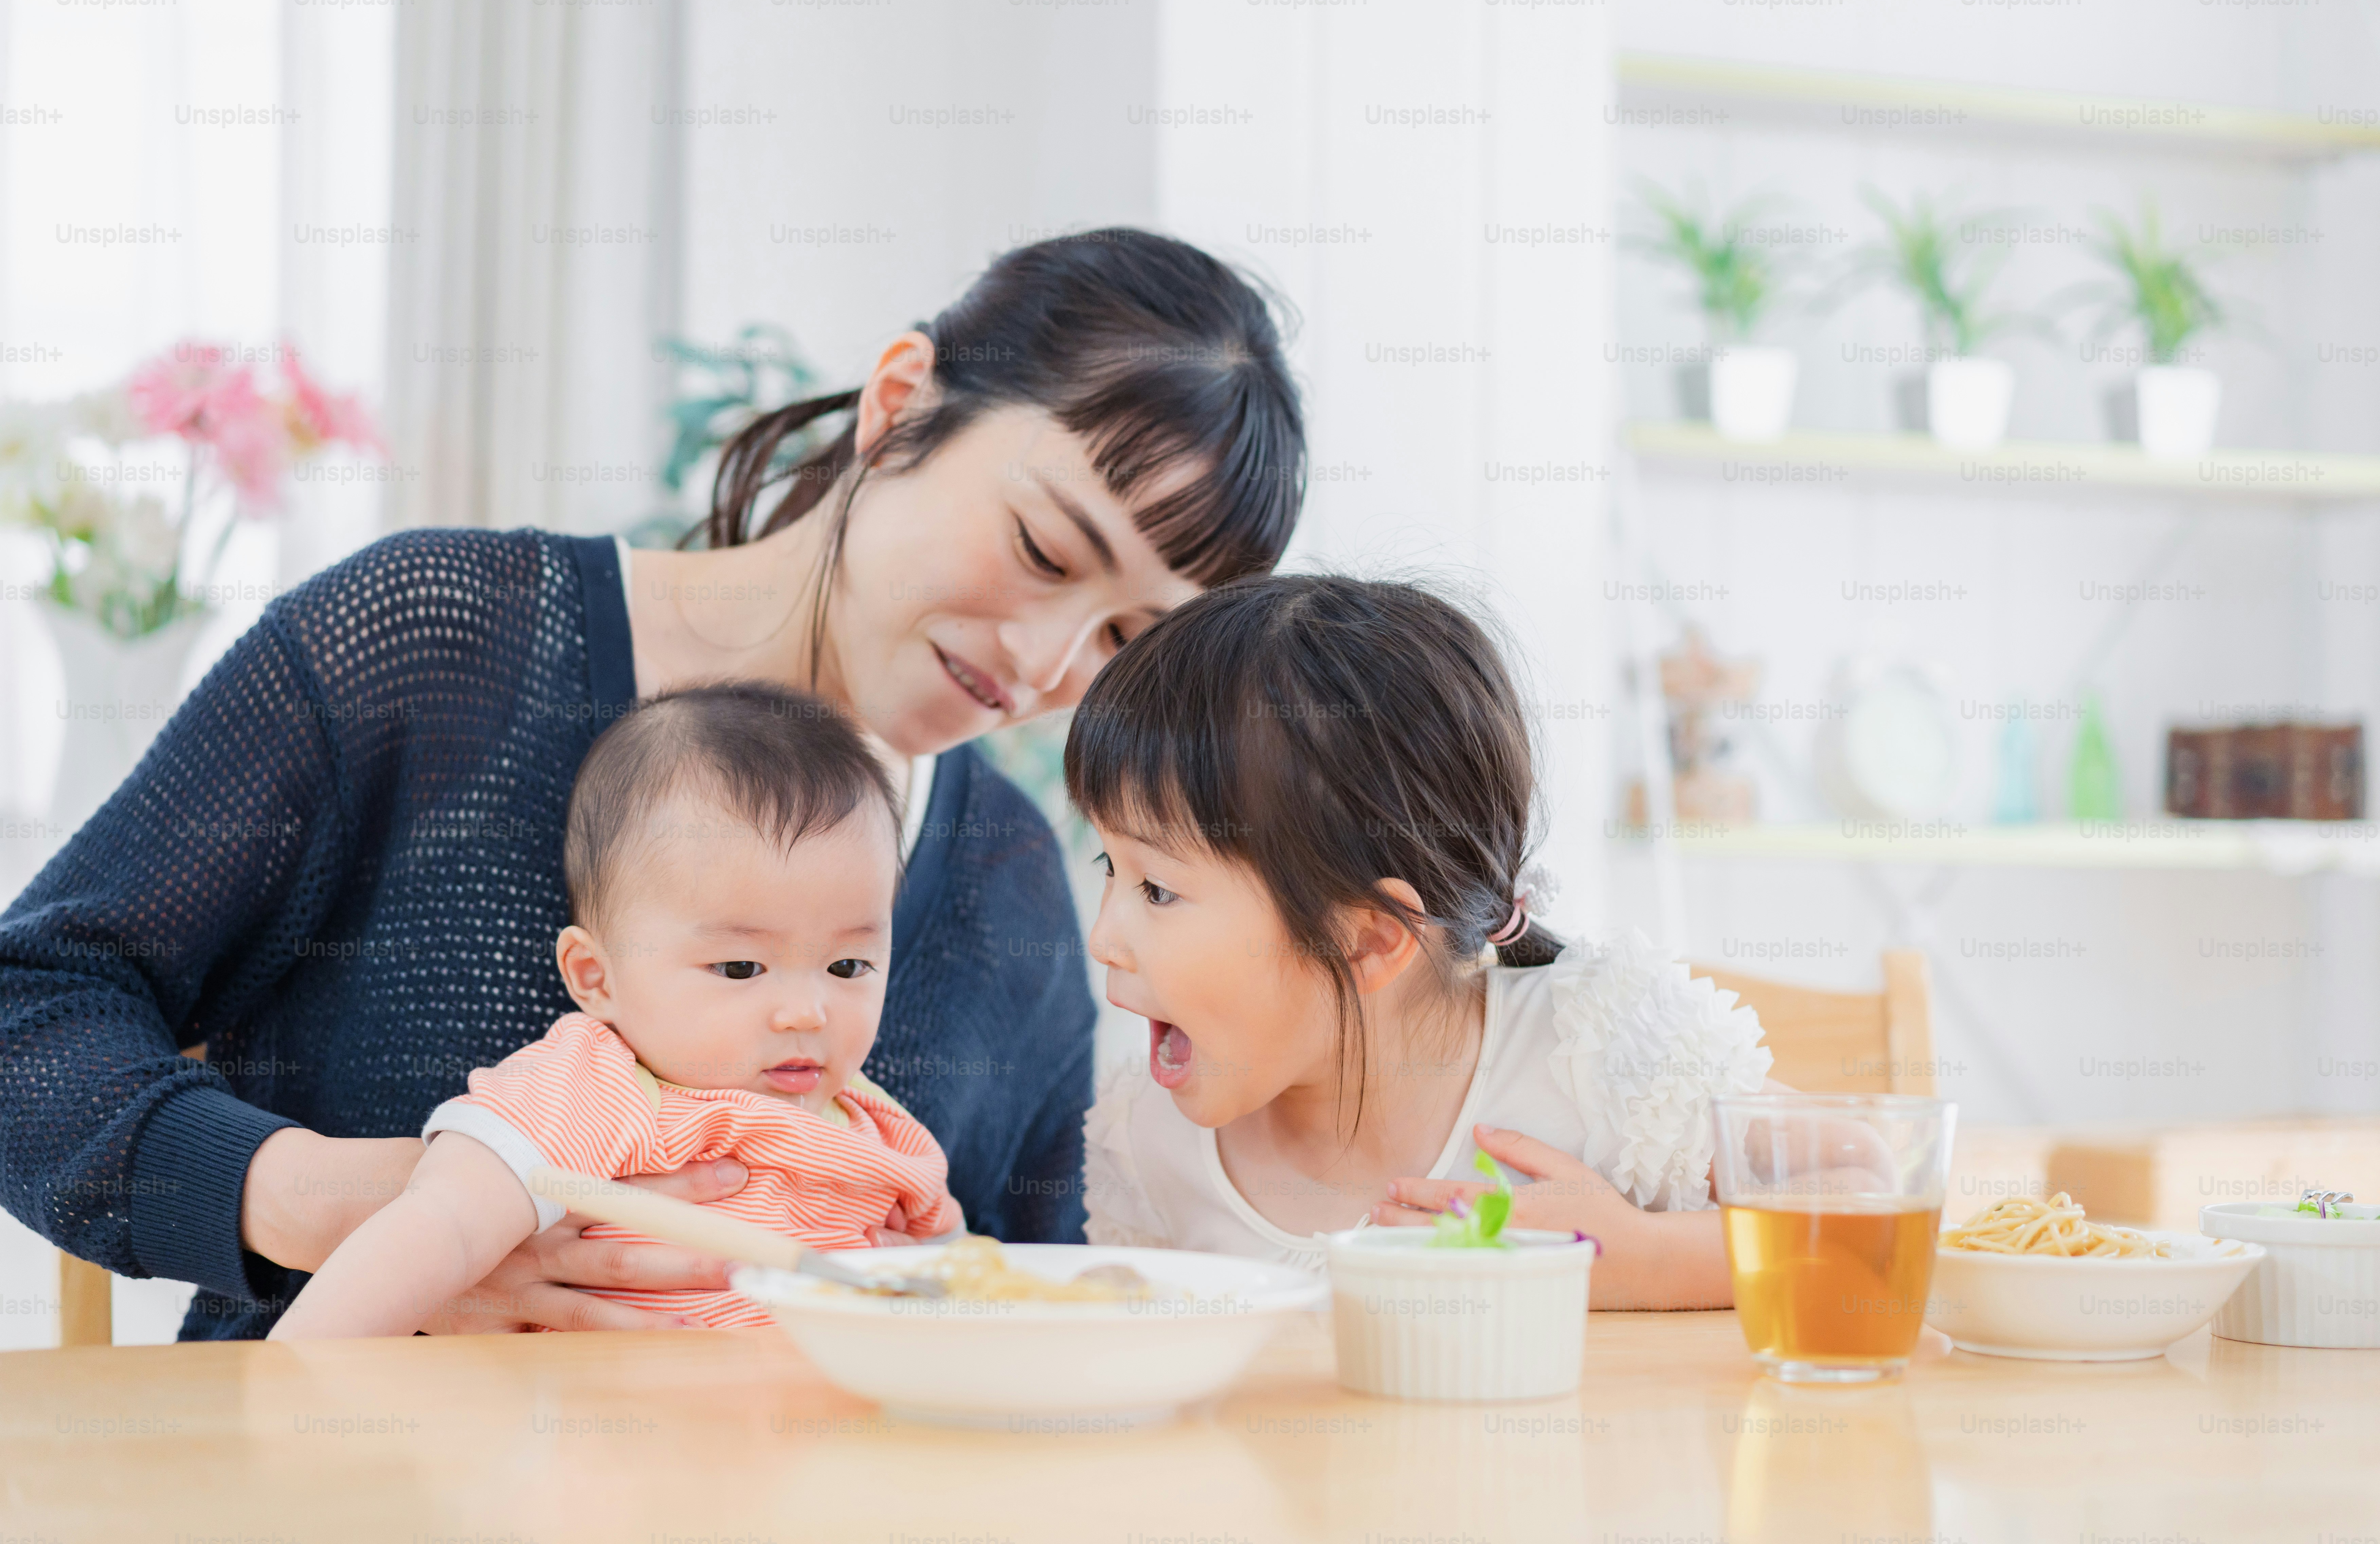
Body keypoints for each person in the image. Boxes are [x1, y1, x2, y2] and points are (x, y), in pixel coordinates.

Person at [0, 227, 1304, 1338]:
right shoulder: (438, 650)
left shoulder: (1013, 888)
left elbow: (1023, 1301)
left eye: (1128, 640)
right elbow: (31, 1006)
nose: (1042, 662)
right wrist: (339, 1208)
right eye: (1039, 547)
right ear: (900, 402)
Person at [1069, 576, 1782, 1308]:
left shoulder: (1598, 1053)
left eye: (1157, 889)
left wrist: (1655, 1258)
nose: (1101, 939)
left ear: (1370, 941)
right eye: (1107, 864)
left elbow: (1872, 1194)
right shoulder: (1145, 1142)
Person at [275, 683, 956, 1339]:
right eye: (742, 967)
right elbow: (438, 1227)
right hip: (605, 1441)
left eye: (847, 967)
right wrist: (286, 1387)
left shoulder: (884, 1132)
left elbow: (967, 1284)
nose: (807, 1013)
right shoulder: (594, 1089)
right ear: (596, 976)